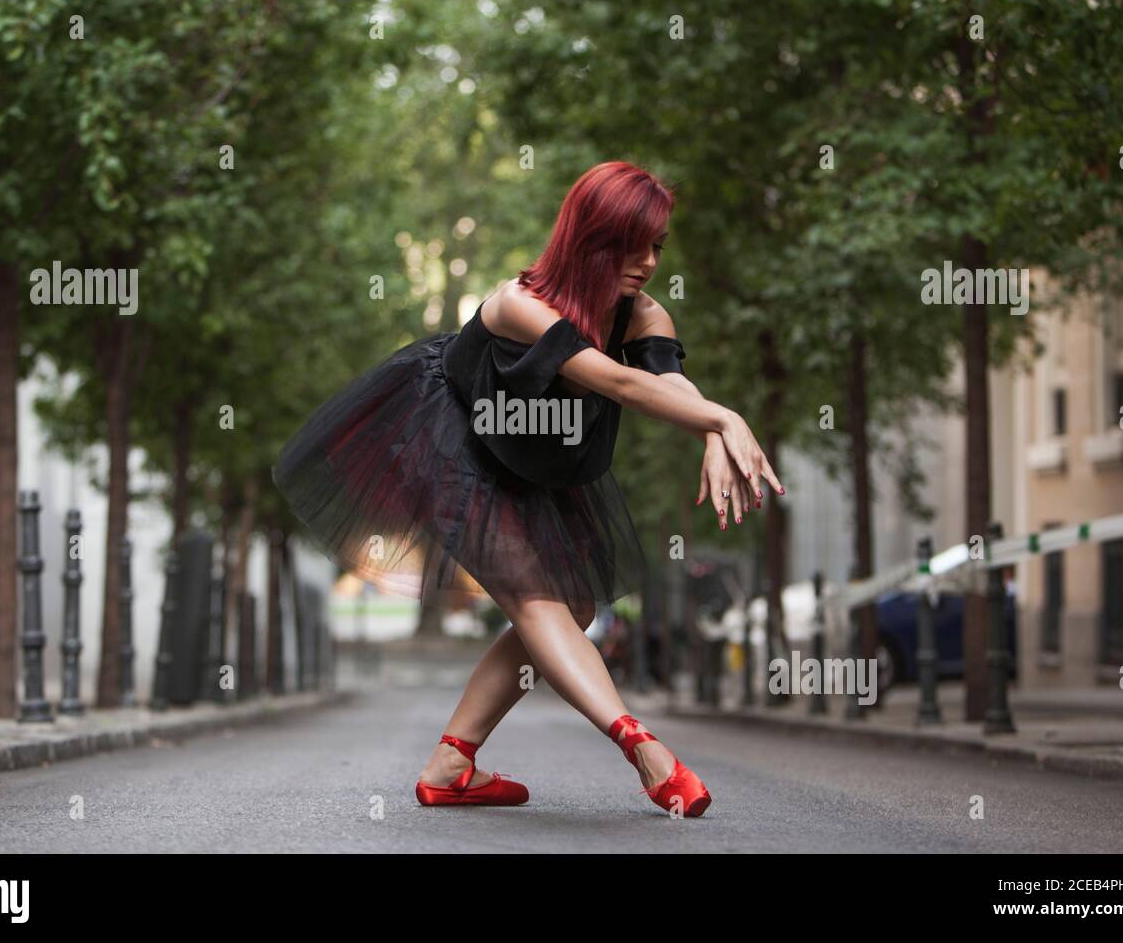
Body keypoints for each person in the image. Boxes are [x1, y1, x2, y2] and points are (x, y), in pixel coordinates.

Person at [271, 160, 783, 817]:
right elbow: (620, 383)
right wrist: (724, 419)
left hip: (536, 459)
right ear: (588, 237)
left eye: (657, 245)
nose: (648, 262)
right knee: (537, 599)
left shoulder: (645, 315)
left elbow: (667, 383)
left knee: (571, 609)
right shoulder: (519, 304)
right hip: (453, 443)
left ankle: (451, 764)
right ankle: (644, 749)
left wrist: (712, 425)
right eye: (631, 245)